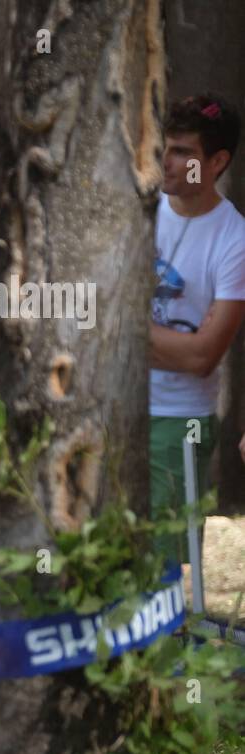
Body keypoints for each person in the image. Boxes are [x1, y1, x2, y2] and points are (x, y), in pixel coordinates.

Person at [148, 94, 245, 563]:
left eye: (183, 152)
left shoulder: (234, 240)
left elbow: (203, 357)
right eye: (164, 147)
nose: (167, 162)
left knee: (162, 565)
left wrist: (118, 328)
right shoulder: (136, 209)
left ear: (218, 161)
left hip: (178, 418)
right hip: (110, 405)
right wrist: (177, 344)